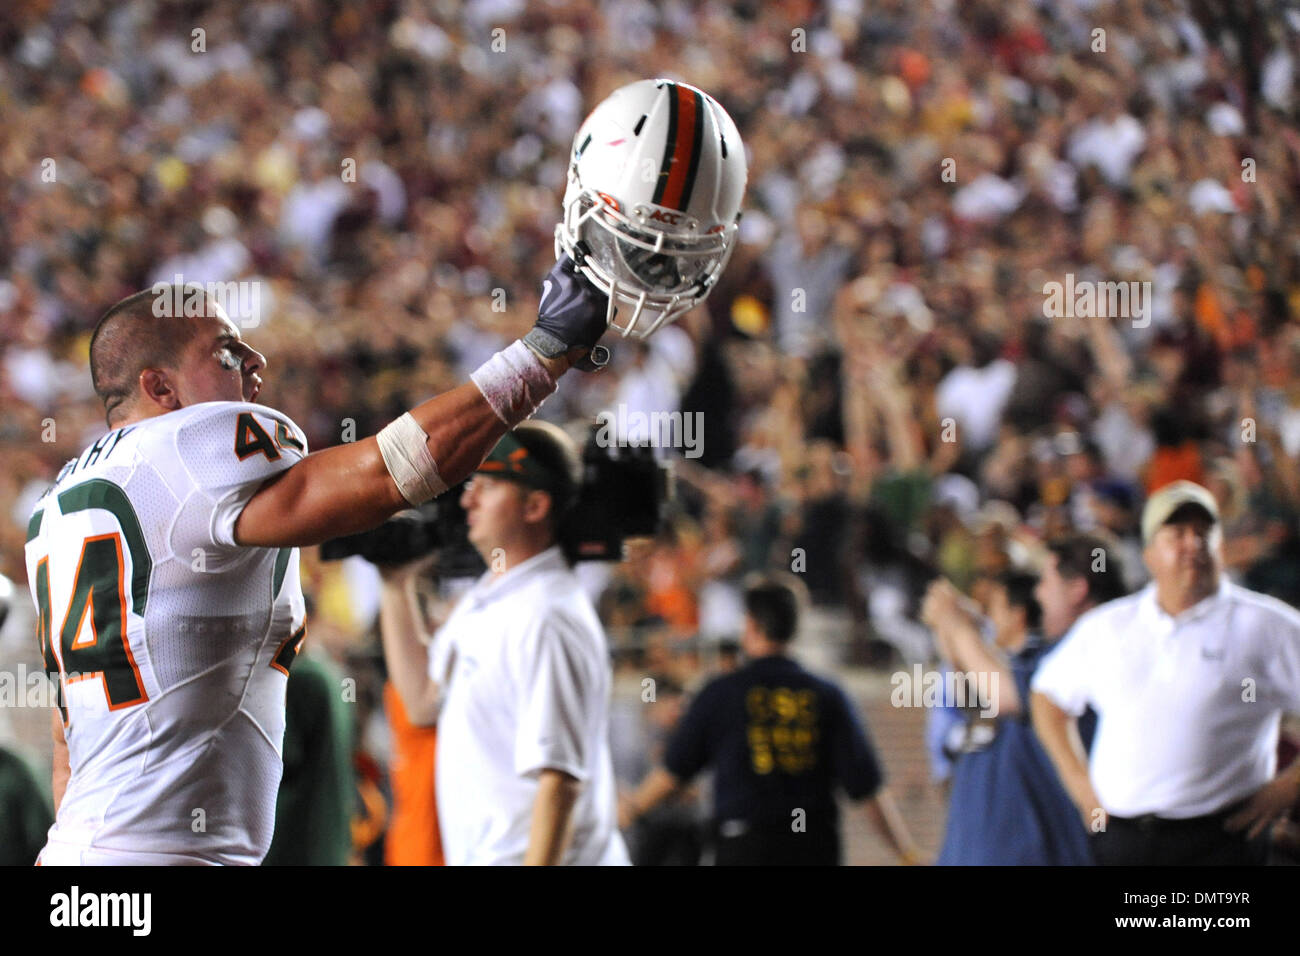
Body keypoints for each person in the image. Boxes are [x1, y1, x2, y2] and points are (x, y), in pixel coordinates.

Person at [25, 262, 609, 866]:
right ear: (161, 388)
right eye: (227, 353)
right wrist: (542, 355)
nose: (256, 362)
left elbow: (67, 743)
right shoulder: (188, 448)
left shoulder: (57, 507)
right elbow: (390, 472)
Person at [378, 422, 629, 865]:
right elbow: (421, 702)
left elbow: (561, 781)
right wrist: (396, 587)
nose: (468, 499)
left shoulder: (548, 615)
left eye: (489, 487)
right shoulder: (487, 598)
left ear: (535, 505)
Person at [1032, 481, 1300, 865]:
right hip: (1123, 840)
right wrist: (1080, 788)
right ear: (1149, 555)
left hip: (1221, 840)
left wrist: (1291, 786)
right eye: (1176, 534)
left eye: (1203, 533)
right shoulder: (1109, 626)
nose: (1193, 544)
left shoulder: (1264, 625)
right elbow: (1047, 697)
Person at [622, 575, 922, 866]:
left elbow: (674, 771)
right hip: (814, 847)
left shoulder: (721, 693)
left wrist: (631, 808)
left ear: (750, 624)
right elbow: (866, 787)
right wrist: (905, 852)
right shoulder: (827, 696)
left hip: (744, 847)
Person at [922, 535, 1127, 865]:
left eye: (1047, 581)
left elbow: (1006, 695)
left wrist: (958, 627)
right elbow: (980, 705)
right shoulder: (1044, 657)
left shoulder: (1101, 649)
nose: (1040, 593)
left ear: (1078, 589)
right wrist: (957, 640)